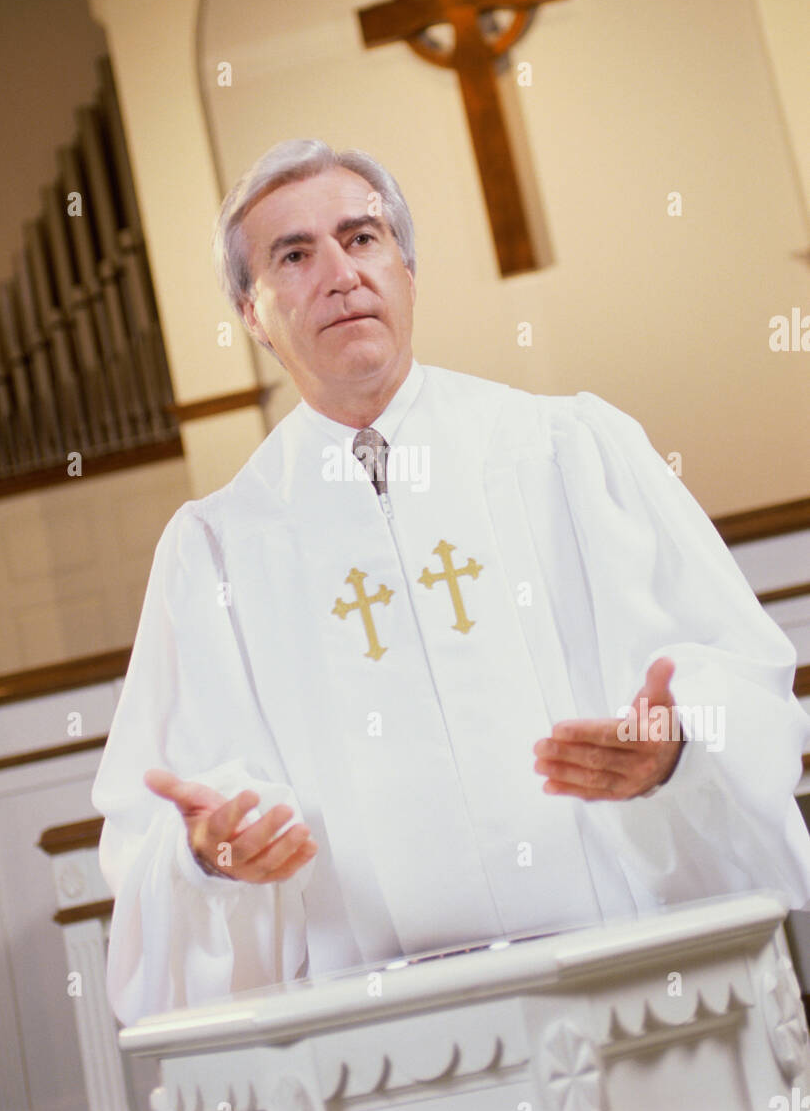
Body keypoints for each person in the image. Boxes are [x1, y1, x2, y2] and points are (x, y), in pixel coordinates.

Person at [92, 139, 810, 1026]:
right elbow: (160, 823)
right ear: (250, 310)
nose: (340, 273)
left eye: (362, 238)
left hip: (622, 985)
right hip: (384, 1032)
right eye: (294, 254)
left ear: (406, 270)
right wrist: (208, 858)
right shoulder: (216, 550)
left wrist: (677, 747)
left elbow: (739, 674)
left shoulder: (569, 450)